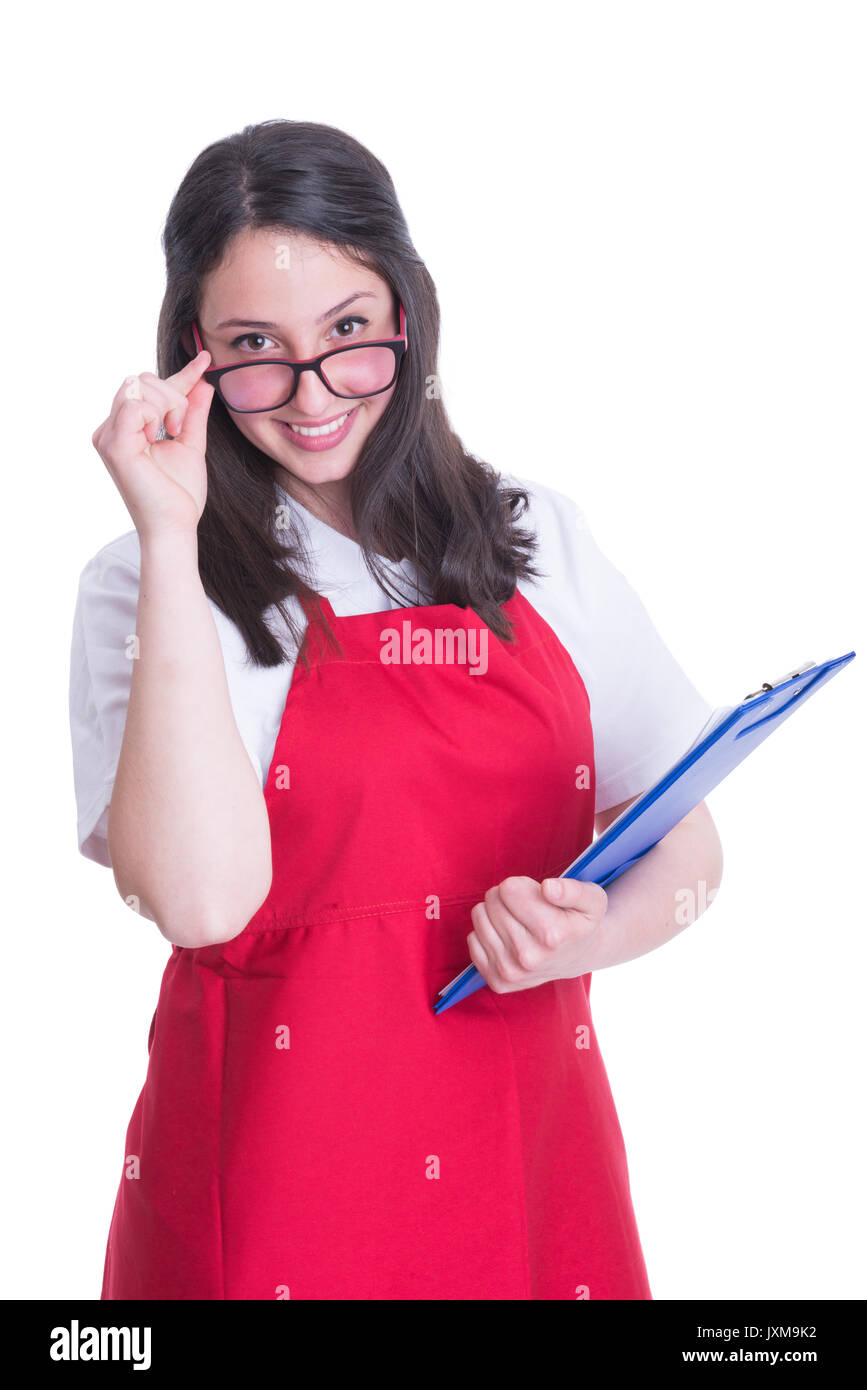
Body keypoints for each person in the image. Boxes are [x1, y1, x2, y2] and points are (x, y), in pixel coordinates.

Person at [69, 119, 723, 1301]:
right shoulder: (146, 582)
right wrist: (172, 535)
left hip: (531, 1164)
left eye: (350, 335)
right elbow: (200, 901)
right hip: (270, 1198)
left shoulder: (534, 537)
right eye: (255, 347)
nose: (313, 396)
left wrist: (589, 937)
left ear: (407, 322)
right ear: (191, 356)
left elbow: (685, 831)